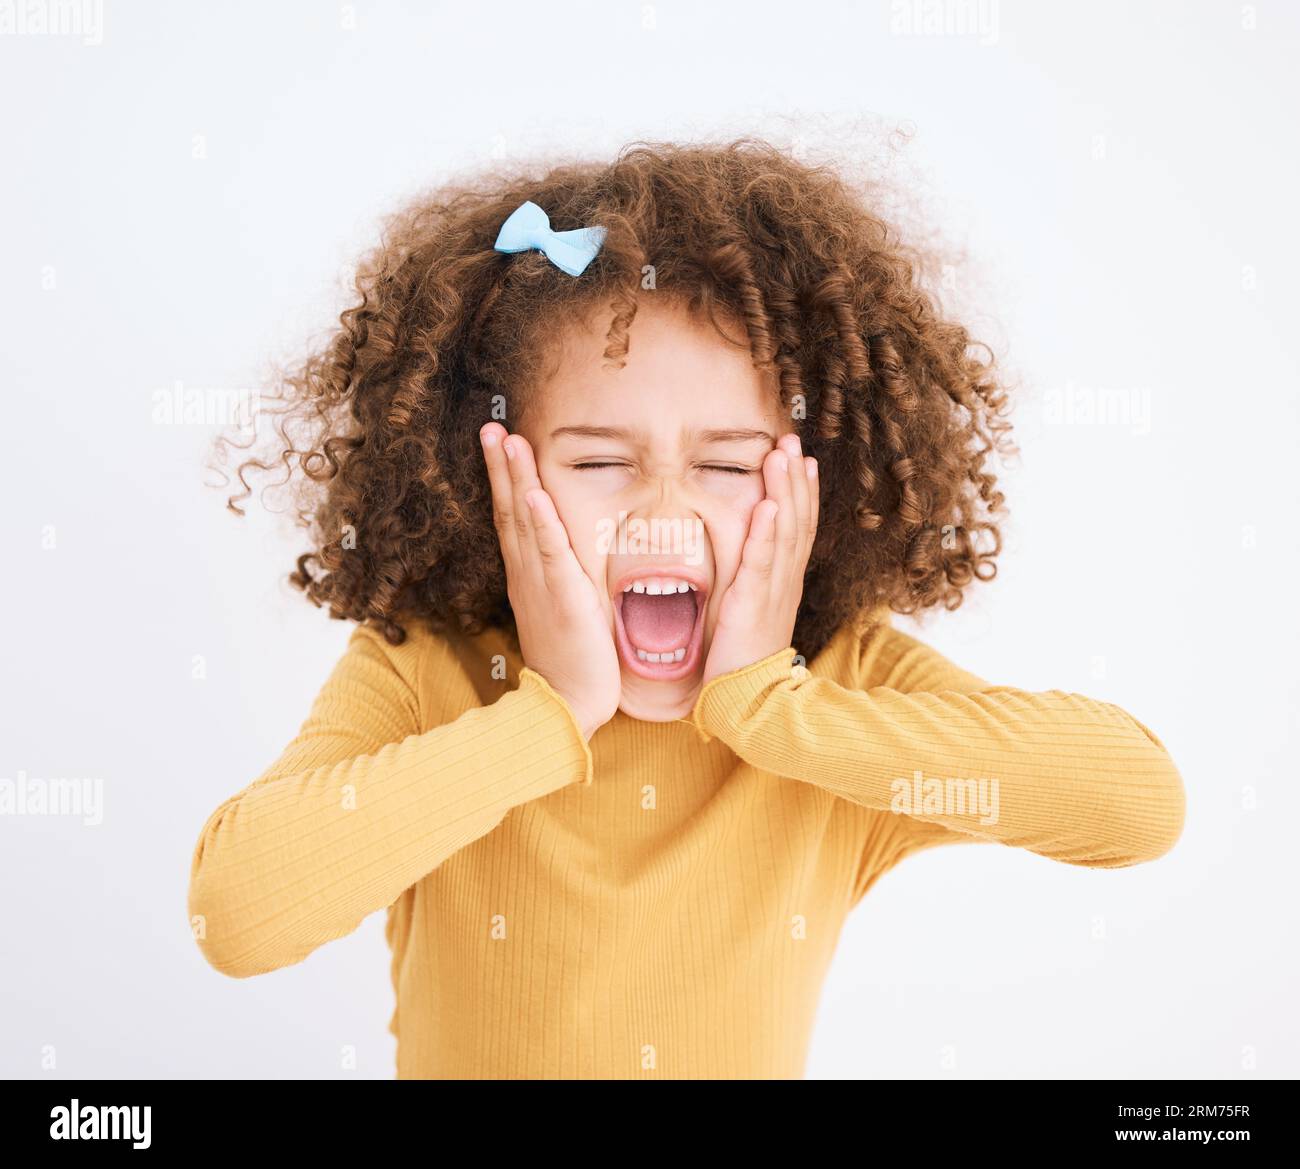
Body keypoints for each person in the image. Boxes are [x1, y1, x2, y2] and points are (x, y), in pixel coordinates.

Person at [187, 137, 1186, 1079]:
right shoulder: (430, 672)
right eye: (599, 461)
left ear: (813, 485)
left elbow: (1136, 803)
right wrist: (549, 715)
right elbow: (237, 915)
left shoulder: (831, 689)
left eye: (724, 464)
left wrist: (770, 708)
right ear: (490, 474)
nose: (663, 508)